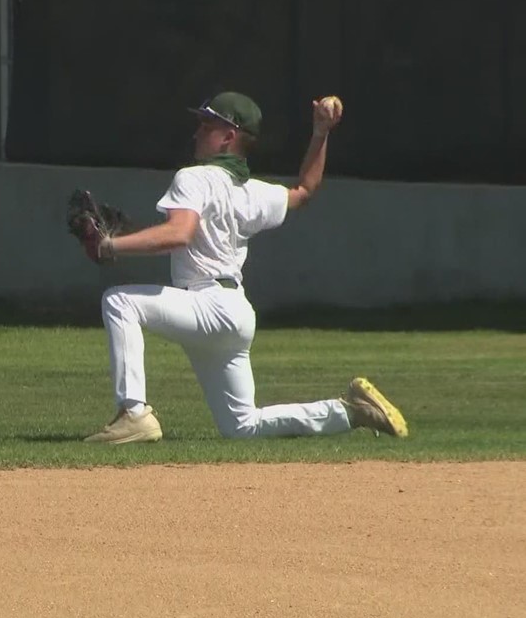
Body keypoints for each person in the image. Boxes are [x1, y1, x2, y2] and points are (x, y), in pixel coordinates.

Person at [81, 91, 407, 444]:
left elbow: (179, 234)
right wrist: (320, 133)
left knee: (119, 301)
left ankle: (133, 413)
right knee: (241, 425)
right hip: (234, 312)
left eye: (207, 124)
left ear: (228, 135)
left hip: (206, 304)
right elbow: (304, 190)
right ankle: (351, 411)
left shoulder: (194, 178)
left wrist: (110, 245)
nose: (197, 132)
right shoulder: (251, 191)